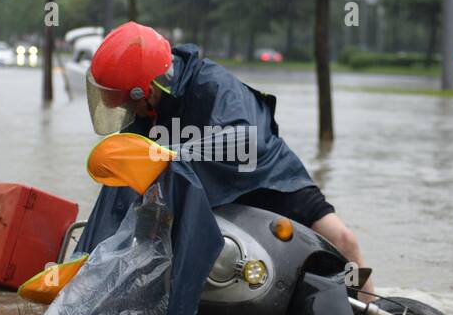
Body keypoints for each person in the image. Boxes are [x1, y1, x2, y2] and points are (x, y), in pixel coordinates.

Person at [86, 21, 376, 296]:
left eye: (128, 102)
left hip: (268, 178)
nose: (127, 110)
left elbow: (244, 141)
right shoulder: (144, 112)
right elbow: (124, 183)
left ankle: (370, 314)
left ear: (145, 91)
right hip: (208, 189)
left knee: (343, 241)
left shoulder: (212, 83)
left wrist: (173, 154)